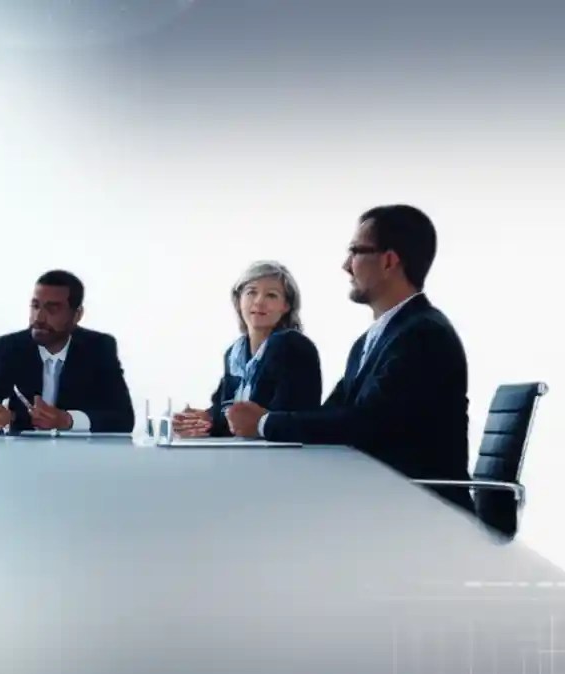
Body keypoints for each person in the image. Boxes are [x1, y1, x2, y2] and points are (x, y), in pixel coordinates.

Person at [226, 205, 473, 511]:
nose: (346, 265)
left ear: (388, 261)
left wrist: (264, 423)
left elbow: (364, 426)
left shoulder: (423, 335)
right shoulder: (371, 341)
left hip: (420, 507)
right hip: (382, 497)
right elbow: (332, 415)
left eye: (355, 251)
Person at [0, 270, 134, 434]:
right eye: (35, 306)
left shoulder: (98, 347)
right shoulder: (9, 347)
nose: (39, 318)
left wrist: (67, 420)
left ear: (77, 315)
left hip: (79, 457)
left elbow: (124, 419)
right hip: (21, 456)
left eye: (52, 309)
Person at [172, 261, 322, 438]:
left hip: (282, 460)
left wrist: (217, 420)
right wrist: (203, 420)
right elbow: (227, 412)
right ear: (239, 299)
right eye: (251, 292)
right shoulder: (234, 352)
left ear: (286, 306)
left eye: (271, 296)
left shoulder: (291, 345)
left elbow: (279, 420)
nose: (259, 302)